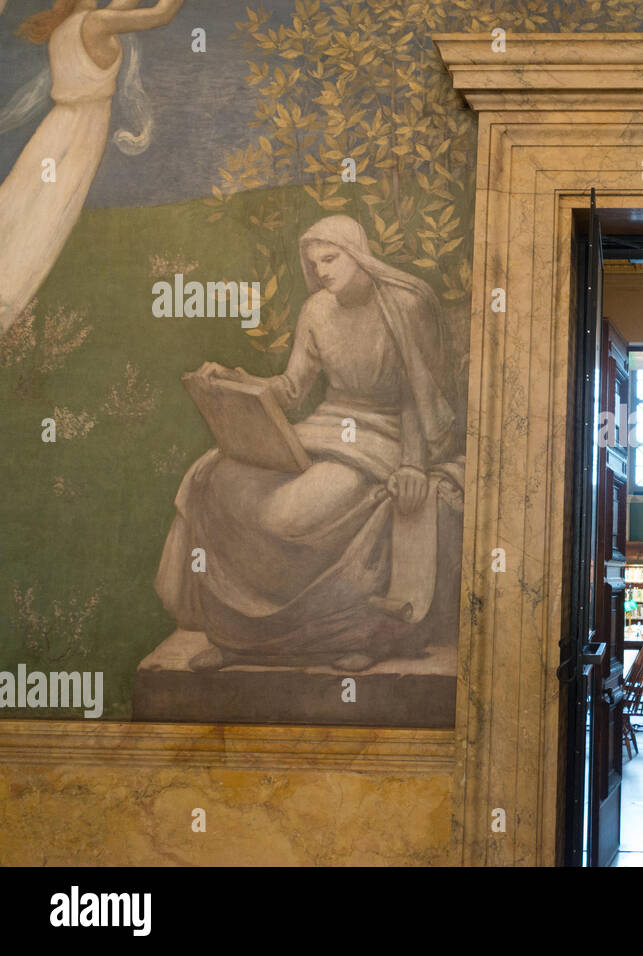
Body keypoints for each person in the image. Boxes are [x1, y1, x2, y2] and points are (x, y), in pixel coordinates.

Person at [154, 214, 464, 672]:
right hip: (326, 426)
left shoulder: (403, 303)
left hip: (382, 437)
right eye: (313, 261)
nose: (320, 270)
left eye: (330, 257)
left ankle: (348, 631)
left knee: (289, 516)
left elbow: (417, 394)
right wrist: (237, 381)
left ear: (358, 253)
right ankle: (237, 635)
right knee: (217, 480)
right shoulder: (317, 309)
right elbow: (293, 388)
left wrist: (413, 465)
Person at [0, 0, 182, 331]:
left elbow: (126, 5)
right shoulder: (96, 22)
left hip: (56, 127)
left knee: (18, 204)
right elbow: (161, 15)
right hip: (80, 132)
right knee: (45, 220)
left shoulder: (69, 25)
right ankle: (5, 301)